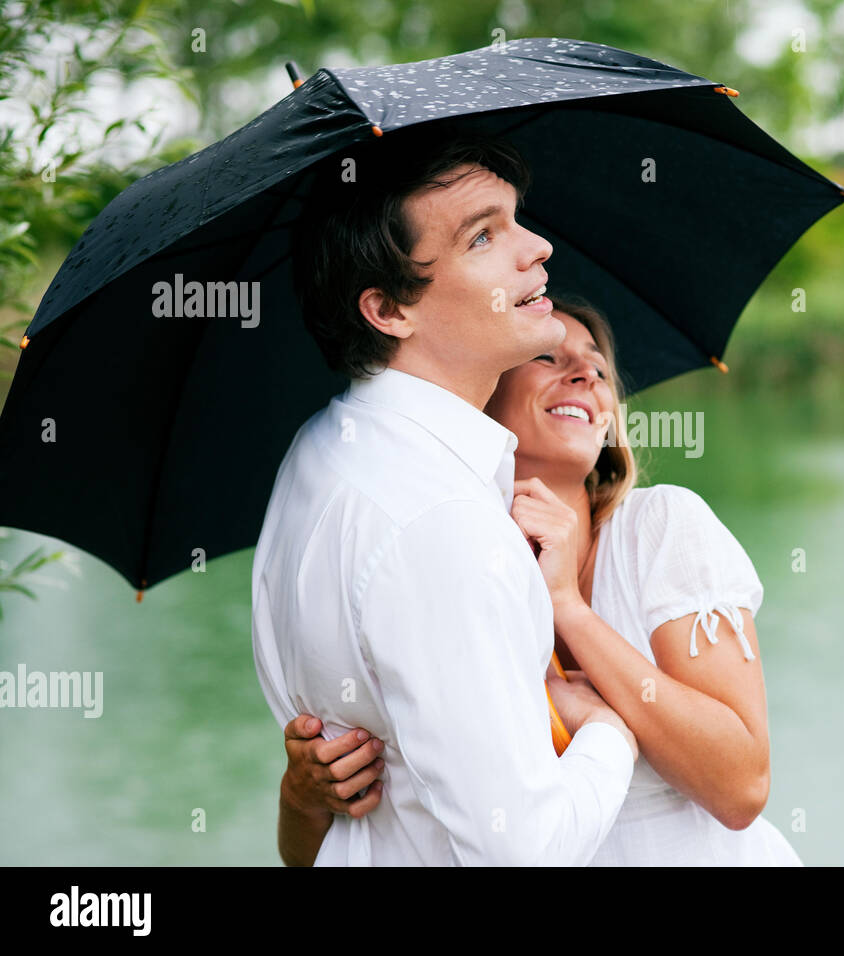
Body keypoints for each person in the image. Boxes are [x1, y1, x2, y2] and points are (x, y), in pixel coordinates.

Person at [278, 296, 803, 866]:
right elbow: (323, 855)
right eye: (549, 357)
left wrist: (568, 607)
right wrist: (300, 800)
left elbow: (742, 787)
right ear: (485, 390)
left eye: (599, 370)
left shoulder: (662, 529)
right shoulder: (434, 561)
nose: (584, 374)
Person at [252, 131, 640, 867]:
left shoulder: (316, 452)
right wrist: (612, 731)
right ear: (389, 309)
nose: (538, 248)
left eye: (516, 217)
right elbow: (525, 852)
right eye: (483, 235)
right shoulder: (443, 526)